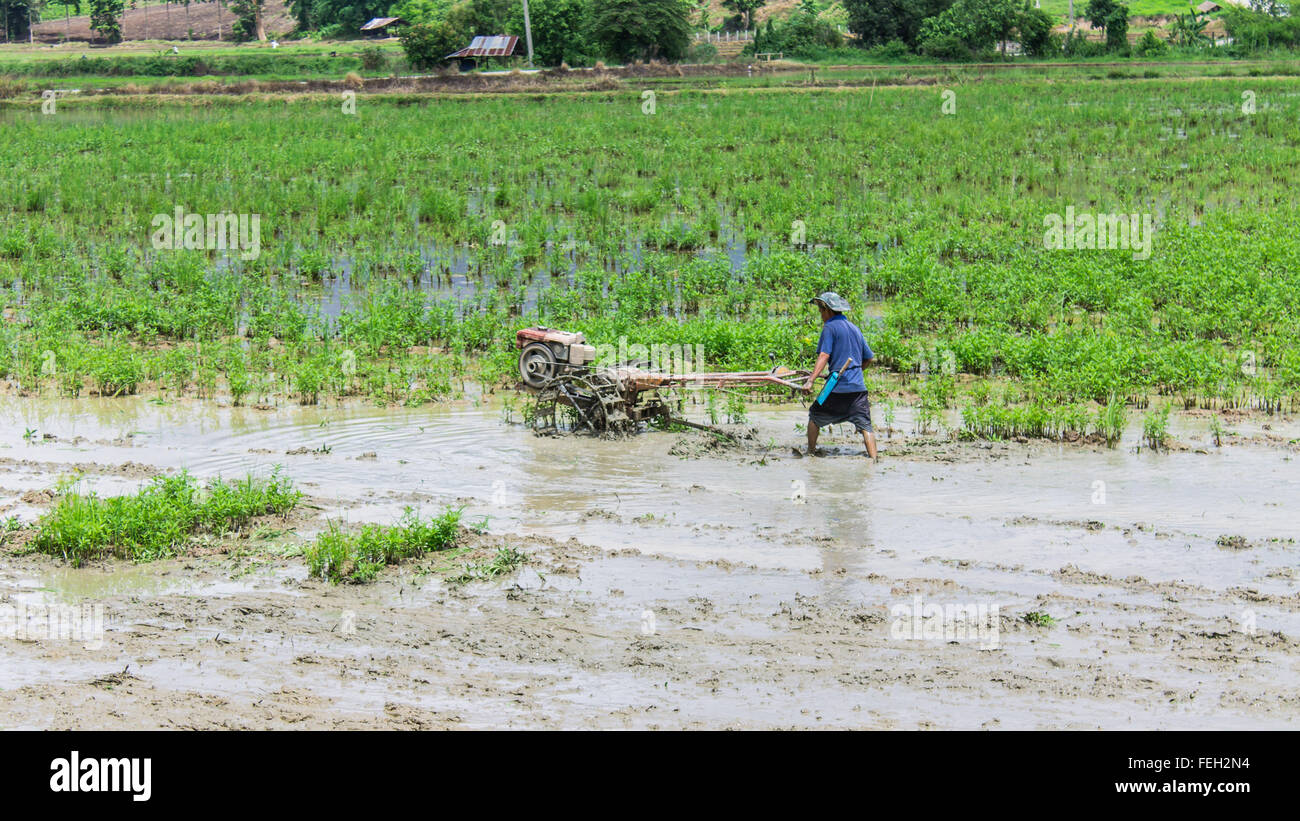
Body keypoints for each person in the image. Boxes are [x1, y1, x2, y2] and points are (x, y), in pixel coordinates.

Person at [801, 291, 878, 460]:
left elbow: (824, 355)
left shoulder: (830, 327)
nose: (821, 315)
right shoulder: (854, 328)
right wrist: (855, 372)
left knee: (814, 415)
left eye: (821, 311)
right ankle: (874, 460)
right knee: (866, 426)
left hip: (834, 388)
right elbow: (869, 357)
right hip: (858, 388)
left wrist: (810, 381)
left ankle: (811, 454)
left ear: (827, 309)